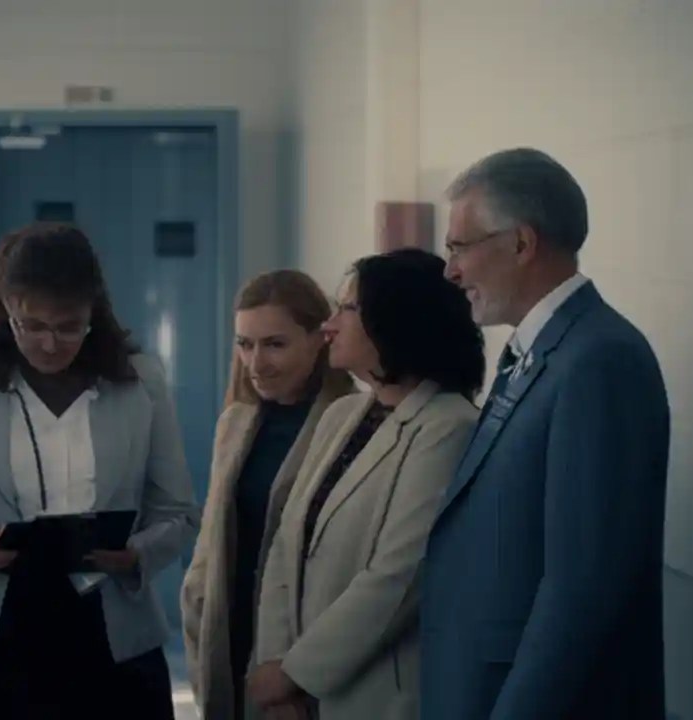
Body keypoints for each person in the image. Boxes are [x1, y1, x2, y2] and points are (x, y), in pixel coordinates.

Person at [422, 148, 670, 719]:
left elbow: (580, 589)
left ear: (520, 243)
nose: (450, 270)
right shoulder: (536, 354)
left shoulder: (599, 360)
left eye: (459, 247)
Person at [0, 222, 199, 720]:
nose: (50, 343)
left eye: (68, 326)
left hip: (114, 629)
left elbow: (177, 511)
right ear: (7, 311)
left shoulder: (140, 383)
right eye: (33, 325)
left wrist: (137, 555)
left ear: (94, 311)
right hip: (0, 629)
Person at [249, 248, 484, 720]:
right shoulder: (342, 415)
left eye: (347, 309)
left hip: (378, 695)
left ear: (396, 319)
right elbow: (285, 545)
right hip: (298, 692)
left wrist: (296, 673)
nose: (328, 326)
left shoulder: (449, 427)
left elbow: (399, 575)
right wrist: (276, 670)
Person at [180, 270, 354, 720]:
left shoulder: (352, 425)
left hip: (302, 652)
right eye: (245, 344)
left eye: (274, 344)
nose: (256, 362)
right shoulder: (236, 424)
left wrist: (302, 672)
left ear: (320, 339)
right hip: (230, 636)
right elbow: (209, 550)